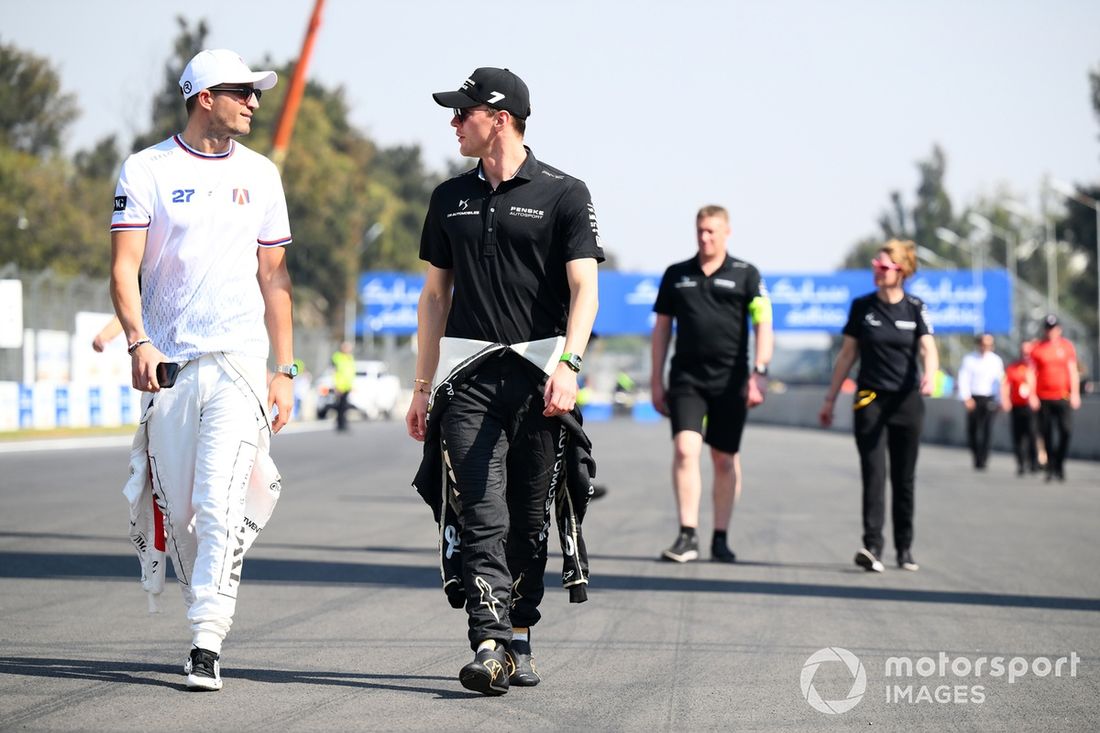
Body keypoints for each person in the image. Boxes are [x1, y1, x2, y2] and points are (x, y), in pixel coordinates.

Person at [406, 67, 602, 696]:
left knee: (529, 519)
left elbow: (584, 289)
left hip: (542, 381)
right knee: (479, 511)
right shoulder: (447, 197)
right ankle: (489, 640)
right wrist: (421, 384)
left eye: (463, 112)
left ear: (500, 116)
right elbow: (435, 296)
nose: (453, 122)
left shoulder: (565, 193)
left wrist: (569, 367)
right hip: (467, 379)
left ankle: (519, 633)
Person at [110, 49, 295, 691]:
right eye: (241, 91)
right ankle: (202, 609)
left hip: (241, 362)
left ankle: (206, 640)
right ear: (202, 96)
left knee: (219, 502)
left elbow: (275, 279)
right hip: (172, 368)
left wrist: (286, 368)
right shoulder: (147, 169)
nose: (254, 103)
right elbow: (122, 268)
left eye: (257, 93)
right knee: (183, 509)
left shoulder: (263, 175)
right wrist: (139, 341)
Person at [650, 205, 773, 564]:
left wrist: (760, 372)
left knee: (723, 459)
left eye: (712, 231)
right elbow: (661, 330)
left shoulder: (747, 274)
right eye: (700, 231)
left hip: (731, 381)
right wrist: (656, 380)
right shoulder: (676, 275)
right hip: (687, 378)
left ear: (727, 232)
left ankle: (721, 536)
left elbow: (764, 323)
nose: (705, 237)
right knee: (686, 449)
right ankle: (687, 534)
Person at [819, 240, 938, 573]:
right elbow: (847, 355)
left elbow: (929, 348)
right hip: (869, 398)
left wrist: (930, 376)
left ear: (900, 271)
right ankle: (872, 546)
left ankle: (904, 548)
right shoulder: (862, 307)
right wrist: (829, 399)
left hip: (906, 401)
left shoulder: (915, 308)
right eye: (875, 265)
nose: (877, 271)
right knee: (874, 473)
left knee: (904, 476)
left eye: (883, 267)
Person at [1030, 314, 1081, 481]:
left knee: (1066, 431)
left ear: (1059, 329)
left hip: (1063, 396)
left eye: (1054, 328)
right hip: (1043, 396)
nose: (1051, 331)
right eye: (1048, 328)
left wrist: (1075, 393)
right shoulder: (1037, 348)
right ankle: (1051, 467)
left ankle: (1059, 461)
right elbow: (1031, 373)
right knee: (1047, 433)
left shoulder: (1067, 347)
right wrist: (1032, 395)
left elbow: (1073, 371)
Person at [956, 333, 1005, 470]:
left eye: (989, 345)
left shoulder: (996, 360)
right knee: (973, 429)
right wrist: (966, 398)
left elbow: (1000, 381)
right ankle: (976, 455)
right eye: (984, 344)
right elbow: (963, 379)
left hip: (990, 398)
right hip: (974, 397)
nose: (986, 347)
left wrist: (1000, 399)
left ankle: (984, 458)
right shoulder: (969, 359)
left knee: (987, 429)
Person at [1001, 340, 1041, 476]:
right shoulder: (1013, 368)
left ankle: (1034, 462)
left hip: (1031, 406)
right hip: (1017, 405)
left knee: (1032, 434)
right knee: (1018, 436)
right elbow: (1006, 385)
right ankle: (1021, 463)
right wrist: (1005, 400)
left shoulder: (1036, 368)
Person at [331, 341, 355, 432]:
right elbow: (334, 372)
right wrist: (336, 386)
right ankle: (340, 423)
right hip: (340, 386)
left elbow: (351, 372)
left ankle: (343, 422)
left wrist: (351, 385)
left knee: (345, 406)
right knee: (340, 406)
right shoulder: (337, 357)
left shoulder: (350, 358)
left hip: (347, 386)